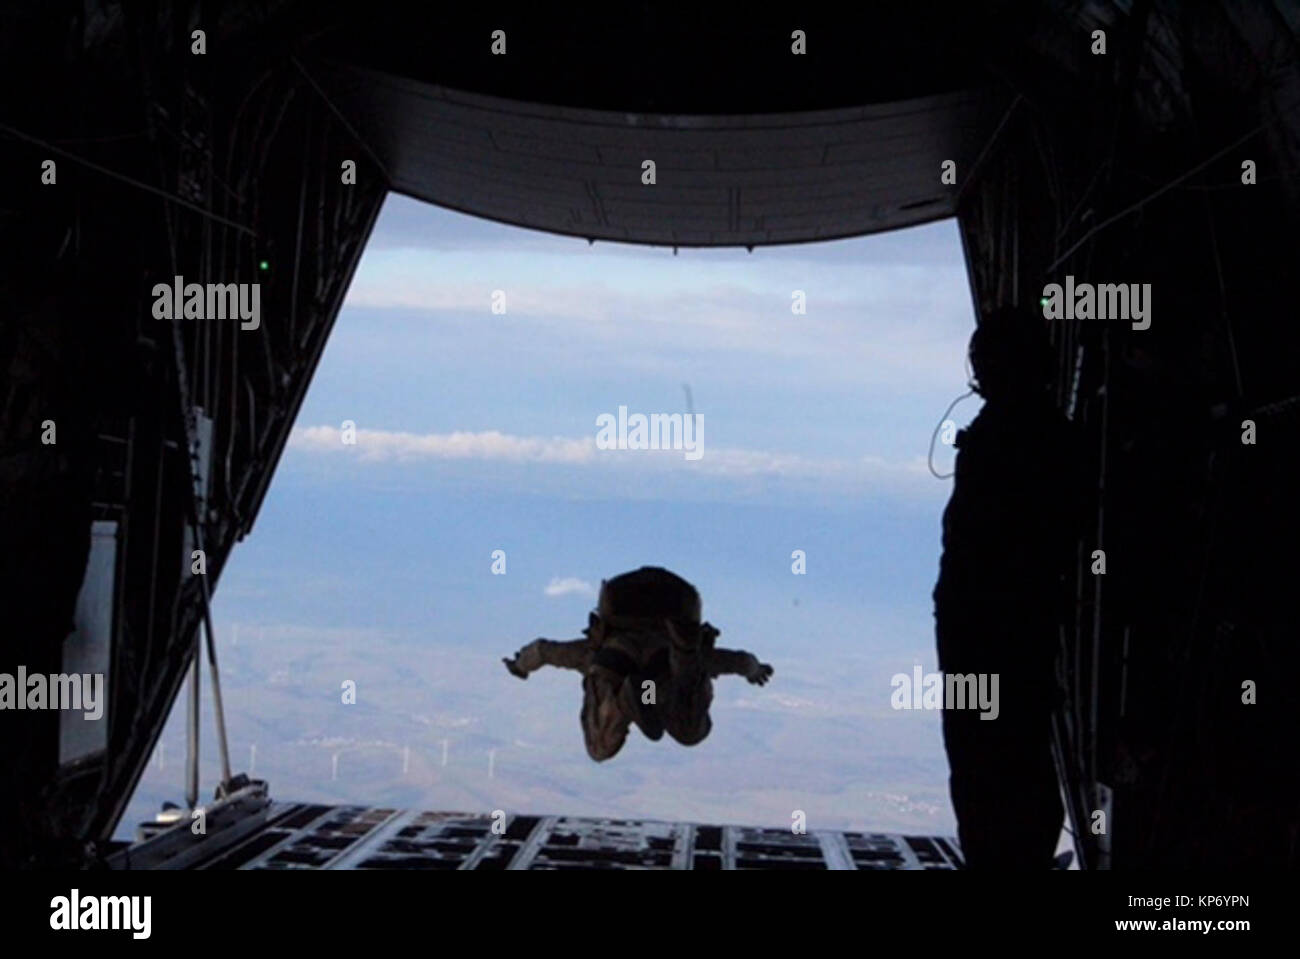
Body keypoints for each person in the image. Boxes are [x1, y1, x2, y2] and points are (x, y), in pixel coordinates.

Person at [933, 305, 1079, 868]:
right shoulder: (1056, 436)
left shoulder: (999, 436)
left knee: (979, 754)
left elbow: (976, 543)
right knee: (1017, 749)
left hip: (979, 628)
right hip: (1024, 628)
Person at [504, 567, 773, 761]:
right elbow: (740, 661)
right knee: (688, 729)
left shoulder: (590, 650)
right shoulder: (676, 643)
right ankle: (681, 664)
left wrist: (520, 666)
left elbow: (543, 651)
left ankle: (621, 702)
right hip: (660, 672)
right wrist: (756, 670)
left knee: (600, 747)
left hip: (616, 666)